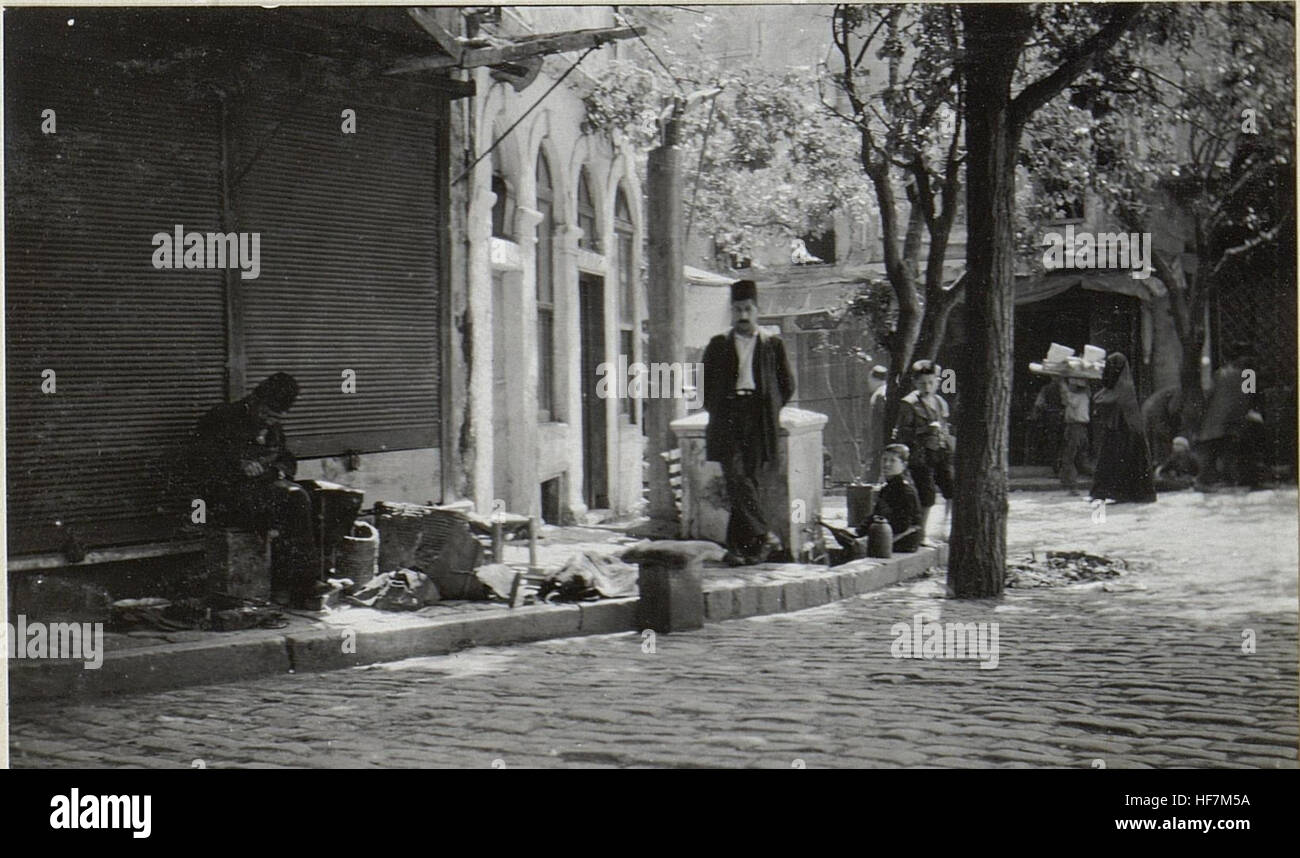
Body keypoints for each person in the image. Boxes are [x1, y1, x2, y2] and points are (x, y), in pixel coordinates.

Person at [191, 373, 325, 607]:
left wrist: (274, 471)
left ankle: (298, 581)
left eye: (275, 418)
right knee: (295, 500)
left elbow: (287, 462)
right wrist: (237, 465)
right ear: (254, 399)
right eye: (265, 414)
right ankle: (304, 585)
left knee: (318, 495)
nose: (268, 421)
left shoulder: (272, 427)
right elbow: (200, 463)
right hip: (224, 501)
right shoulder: (221, 418)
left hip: (262, 496)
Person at [703, 279, 795, 566]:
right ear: (732, 312)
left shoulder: (772, 344)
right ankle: (765, 535)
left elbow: (787, 384)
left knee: (748, 481)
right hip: (729, 417)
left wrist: (770, 409)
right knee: (737, 476)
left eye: (748, 309)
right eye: (737, 309)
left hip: (759, 419)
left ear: (757, 310)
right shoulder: (718, 345)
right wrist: (719, 409)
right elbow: (705, 385)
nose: (743, 315)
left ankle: (742, 548)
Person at [893, 359, 953, 545]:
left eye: (931, 382)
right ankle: (921, 534)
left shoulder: (940, 402)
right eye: (922, 383)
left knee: (952, 489)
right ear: (915, 383)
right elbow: (901, 433)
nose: (927, 387)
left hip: (940, 452)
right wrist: (925, 430)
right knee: (926, 495)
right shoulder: (909, 404)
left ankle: (947, 528)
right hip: (920, 456)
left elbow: (946, 427)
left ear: (937, 381)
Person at [1090, 353, 1157, 503]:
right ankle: (1103, 493)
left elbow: (1105, 399)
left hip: (1127, 432)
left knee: (1122, 463)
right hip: (1117, 429)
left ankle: (1123, 494)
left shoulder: (1124, 386)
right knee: (1109, 462)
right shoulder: (1116, 385)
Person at [1196, 341, 1262, 490]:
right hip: (1230, 425)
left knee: (1213, 458)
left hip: (1214, 425)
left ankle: (1210, 481)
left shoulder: (1220, 373)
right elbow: (1247, 399)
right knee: (1228, 457)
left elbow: (1210, 396)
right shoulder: (1248, 375)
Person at [869, 443, 922, 552]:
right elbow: (876, 515)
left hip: (904, 541)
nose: (886, 464)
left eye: (893, 461)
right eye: (884, 460)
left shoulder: (905, 490)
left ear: (903, 465)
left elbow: (904, 525)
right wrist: (858, 532)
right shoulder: (887, 488)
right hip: (888, 535)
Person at [1058, 376, 1093, 494]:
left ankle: (1072, 486)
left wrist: (1062, 383)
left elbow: (1068, 399)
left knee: (1070, 457)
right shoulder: (1085, 396)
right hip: (1081, 428)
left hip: (1075, 427)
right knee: (1081, 458)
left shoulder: (1077, 397)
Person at [1029, 377, 1065, 472]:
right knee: (1062, 440)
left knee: (1052, 439)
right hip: (1063, 416)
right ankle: (1060, 462)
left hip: (1051, 416)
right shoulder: (1065, 389)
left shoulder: (1046, 389)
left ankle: (1054, 462)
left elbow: (1039, 403)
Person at [861, 364, 888, 481]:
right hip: (881, 438)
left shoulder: (879, 395)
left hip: (879, 439)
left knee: (875, 470)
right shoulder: (885, 391)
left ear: (873, 378)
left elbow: (881, 419)